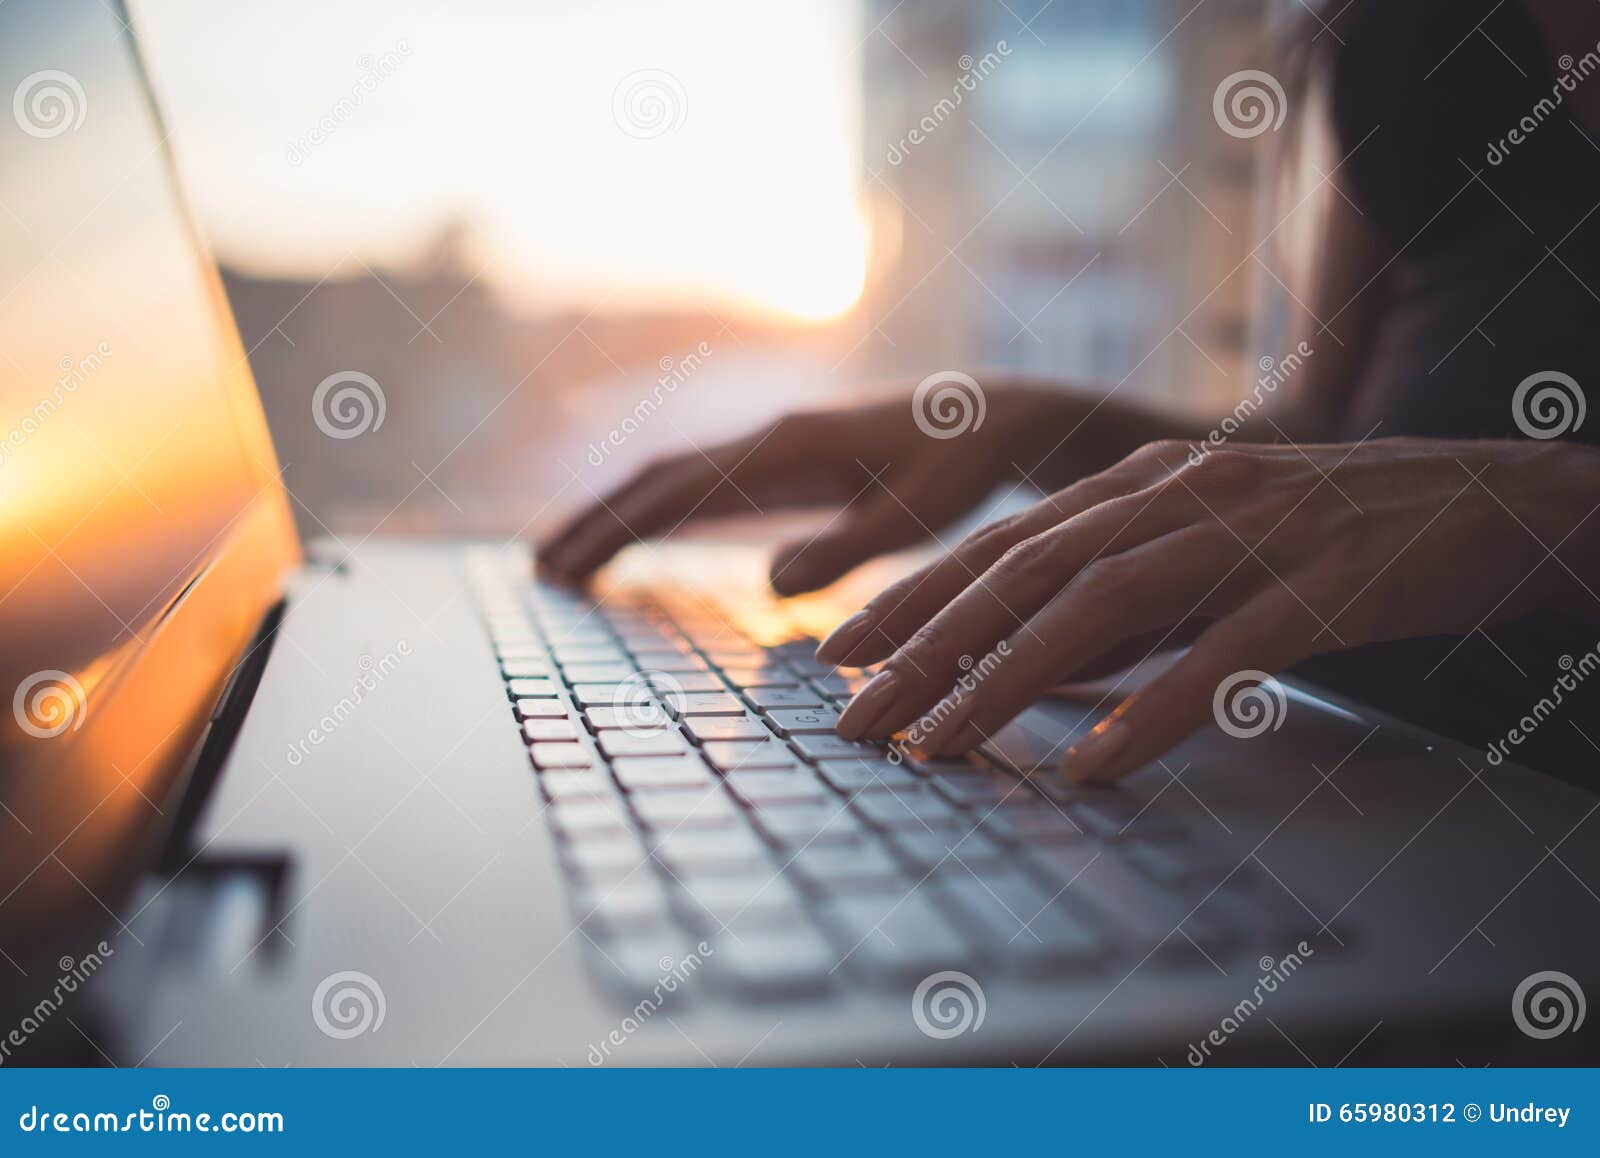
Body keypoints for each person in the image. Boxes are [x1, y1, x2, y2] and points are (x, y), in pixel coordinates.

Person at [540, 0, 1600, 786]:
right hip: (1330, 757)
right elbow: (1319, 434)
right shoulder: (1364, 24)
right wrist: (1038, 426)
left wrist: (1553, 506)